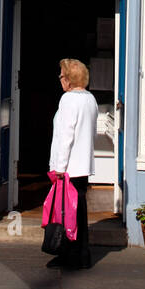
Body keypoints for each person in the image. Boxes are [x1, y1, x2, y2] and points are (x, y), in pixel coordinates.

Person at [47, 57, 98, 271]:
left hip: (68, 167)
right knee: (79, 211)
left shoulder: (68, 100)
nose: (60, 80)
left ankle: (68, 254)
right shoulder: (90, 99)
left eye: (61, 76)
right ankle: (81, 254)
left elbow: (66, 135)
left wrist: (59, 166)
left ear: (68, 79)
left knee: (67, 214)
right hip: (82, 165)